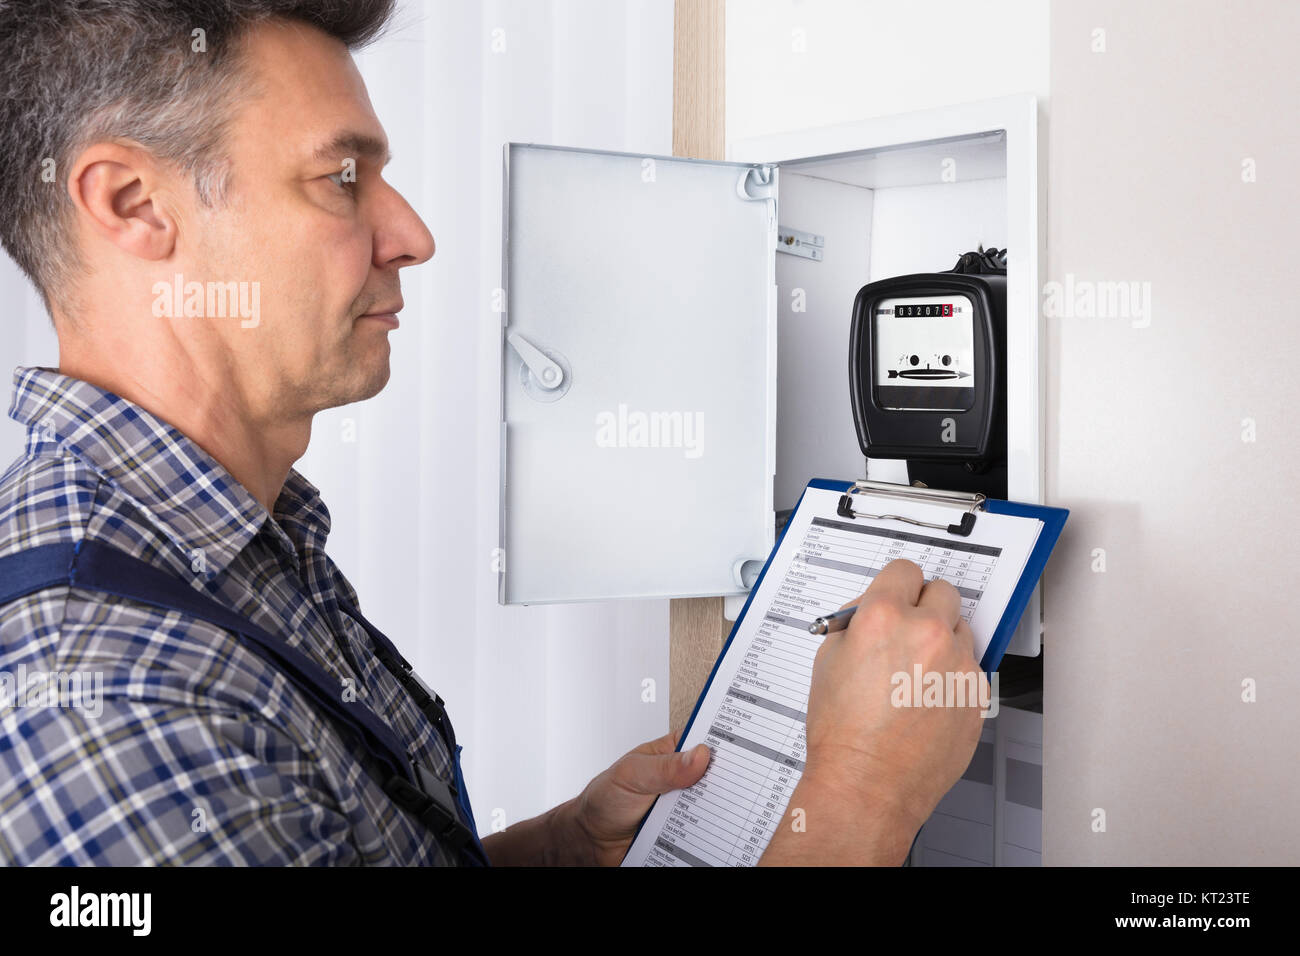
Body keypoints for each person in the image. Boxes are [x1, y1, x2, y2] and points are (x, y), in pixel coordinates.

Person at [0, 0, 986, 865]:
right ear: (133, 204)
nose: (412, 234)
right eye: (340, 177)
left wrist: (561, 848)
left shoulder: (239, 539)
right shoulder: (102, 695)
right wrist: (862, 790)